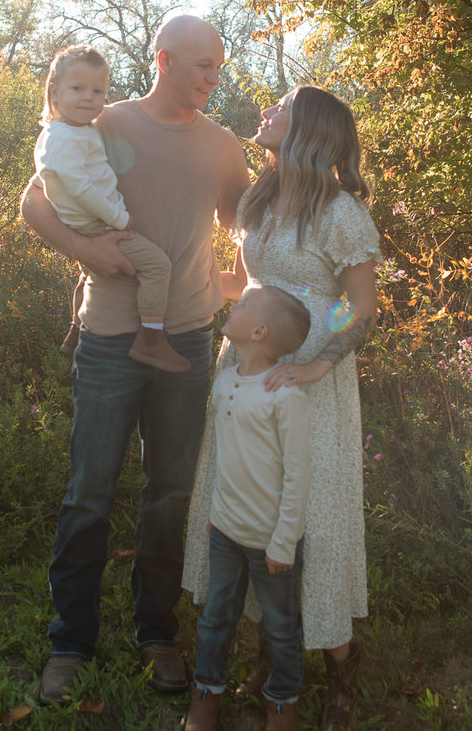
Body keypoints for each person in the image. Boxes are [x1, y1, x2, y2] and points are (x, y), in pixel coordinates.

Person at [19, 15, 250, 705]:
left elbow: (250, 226)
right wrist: (88, 253)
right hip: (110, 338)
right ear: (163, 58)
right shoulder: (103, 120)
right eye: (203, 66)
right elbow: (34, 202)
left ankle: (158, 632)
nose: (213, 78)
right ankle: (70, 641)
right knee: (89, 491)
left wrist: (237, 288)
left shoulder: (222, 144)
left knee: (172, 492)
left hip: (189, 339)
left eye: (218, 68)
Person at [183, 85, 381, 731]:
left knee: (311, 525)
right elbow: (251, 283)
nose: (267, 110)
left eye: (283, 105)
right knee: (245, 508)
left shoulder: (341, 213)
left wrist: (320, 358)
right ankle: (273, 657)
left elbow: (358, 305)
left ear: (311, 131)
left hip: (309, 384)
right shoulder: (259, 200)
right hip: (248, 369)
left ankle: (340, 670)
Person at [185, 285, 313, 731]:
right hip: (225, 531)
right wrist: (215, 515)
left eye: (242, 304)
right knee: (216, 617)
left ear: (259, 331)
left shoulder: (285, 396)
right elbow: (224, 456)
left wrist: (284, 541)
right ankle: (206, 693)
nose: (232, 303)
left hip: (270, 541)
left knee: (281, 627)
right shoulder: (223, 381)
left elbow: (299, 475)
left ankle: (282, 702)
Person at [34, 43, 189, 373]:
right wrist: (118, 218)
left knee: (87, 271)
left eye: (98, 90)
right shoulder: (64, 138)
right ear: (55, 93)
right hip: (97, 223)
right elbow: (79, 188)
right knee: (158, 266)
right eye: (78, 89)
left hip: (89, 221)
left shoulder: (72, 130)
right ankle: (151, 340)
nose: (89, 98)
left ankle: (75, 331)